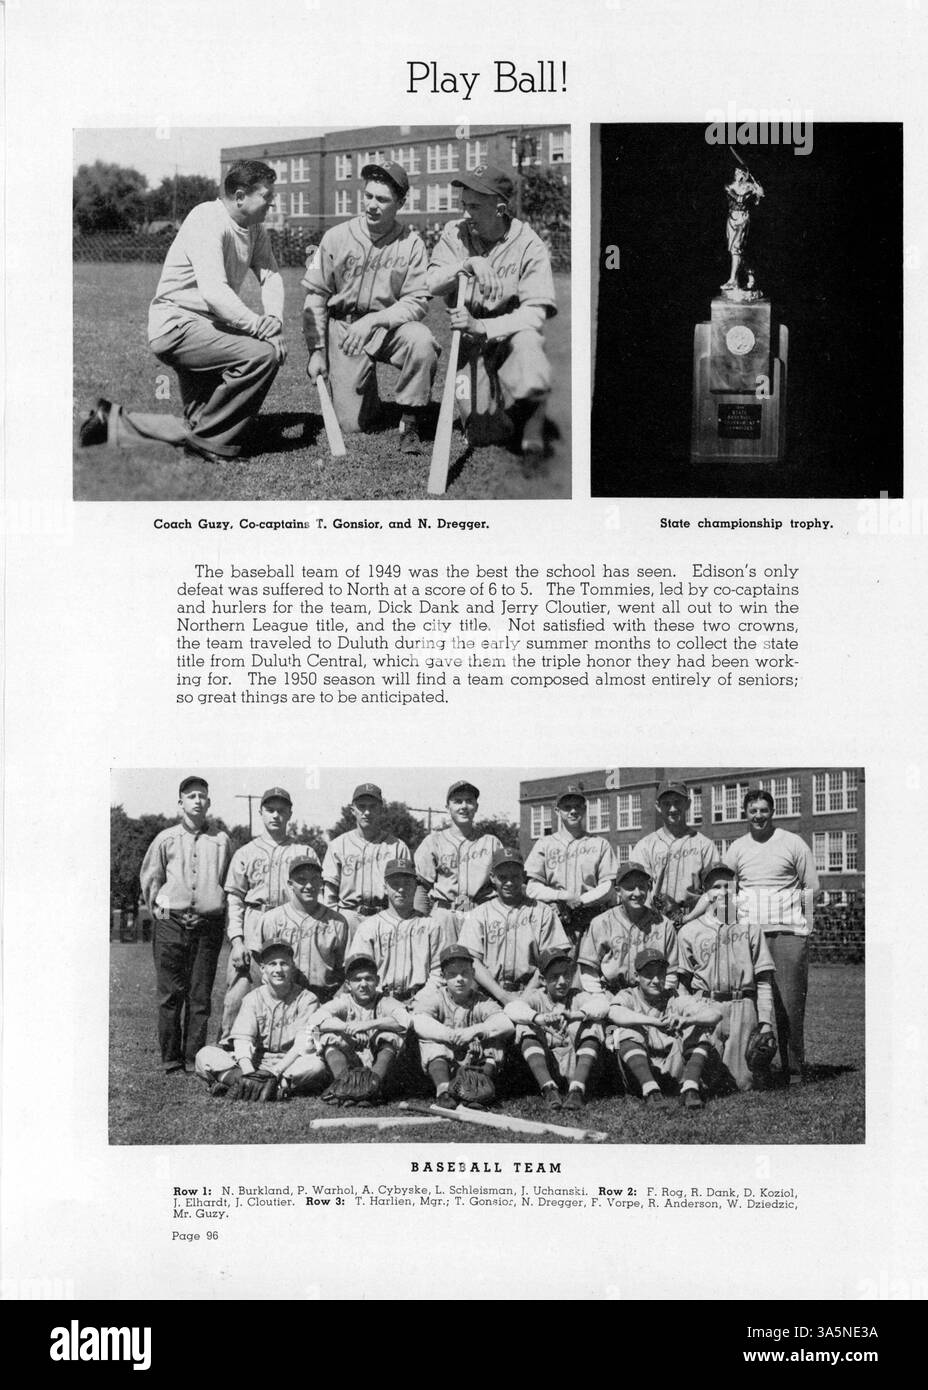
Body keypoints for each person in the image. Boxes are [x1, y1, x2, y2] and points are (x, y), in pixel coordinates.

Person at [78, 161, 286, 463]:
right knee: (262, 355)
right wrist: (260, 328)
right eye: (267, 195)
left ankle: (109, 422)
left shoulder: (254, 228)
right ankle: (212, 444)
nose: (272, 201)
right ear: (240, 196)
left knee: (199, 423)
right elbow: (214, 294)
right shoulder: (206, 219)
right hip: (176, 326)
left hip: (206, 328)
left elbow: (271, 275)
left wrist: (276, 320)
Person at [302, 161, 437, 453]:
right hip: (345, 328)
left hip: (388, 329)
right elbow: (315, 296)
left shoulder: (412, 243)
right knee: (353, 424)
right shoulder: (335, 237)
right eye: (369, 196)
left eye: (383, 199)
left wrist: (375, 320)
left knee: (422, 340)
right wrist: (316, 352)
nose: (372, 205)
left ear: (400, 202)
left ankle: (410, 421)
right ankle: (365, 393)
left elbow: (417, 301)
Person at [427, 164, 557, 459]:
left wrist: (484, 327)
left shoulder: (528, 244)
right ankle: (500, 406)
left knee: (529, 342)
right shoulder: (455, 234)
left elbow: (537, 313)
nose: (465, 213)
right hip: (470, 345)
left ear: (499, 209)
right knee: (483, 435)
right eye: (463, 205)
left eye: (474, 206)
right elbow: (430, 283)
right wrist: (467, 264)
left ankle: (534, 415)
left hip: (509, 337)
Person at [723, 790, 819, 1081]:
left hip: (788, 933)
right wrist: (727, 929)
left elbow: (811, 887)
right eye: (753, 810)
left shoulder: (793, 843)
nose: (758, 816)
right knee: (751, 1002)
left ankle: (793, 1070)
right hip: (750, 936)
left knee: (790, 1004)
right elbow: (725, 892)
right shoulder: (737, 848)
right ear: (745, 813)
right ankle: (757, 1069)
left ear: (772, 811)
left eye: (764, 810)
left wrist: (806, 926)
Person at [139, 776, 231, 1075]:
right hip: (171, 923)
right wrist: (164, 920)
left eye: (202, 795)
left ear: (208, 802)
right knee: (170, 993)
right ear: (180, 802)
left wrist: (213, 909)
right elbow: (152, 882)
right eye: (190, 795)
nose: (197, 800)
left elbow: (227, 882)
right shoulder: (166, 838)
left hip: (208, 924)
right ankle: (171, 1058)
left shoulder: (221, 840)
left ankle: (193, 1058)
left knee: (200, 994)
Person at [219, 787, 320, 1040]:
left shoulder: (305, 852)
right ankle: (230, 1044)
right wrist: (237, 940)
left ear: (290, 814)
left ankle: (285, 1047)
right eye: (270, 810)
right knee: (240, 989)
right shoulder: (245, 852)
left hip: (292, 923)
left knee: (292, 989)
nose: (276, 815)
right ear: (261, 812)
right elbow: (235, 900)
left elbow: (317, 894)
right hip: (255, 921)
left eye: (281, 811)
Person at [676, 863, 776, 1093]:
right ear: (706, 893)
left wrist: (765, 1023)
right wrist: (689, 1014)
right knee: (703, 1079)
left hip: (742, 1007)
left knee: (742, 1084)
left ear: (736, 890)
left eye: (728, 886)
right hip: (705, 1006)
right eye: (715, 887)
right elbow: (681, 985)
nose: (723, 892)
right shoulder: (690, 931)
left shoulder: (751, 927)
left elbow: (763, 981)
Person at [194, 940, 326, 1100]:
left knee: (315, 1066)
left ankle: (252, 1085)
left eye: (284, 964)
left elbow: (301, 1046)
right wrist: (249, 1073)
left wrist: (274, 1072)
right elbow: (243, 1041)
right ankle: (250, 1083)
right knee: (205, 1054)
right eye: (272, 964)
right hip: (256, 1062)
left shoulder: (308, 999)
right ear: (263, 969)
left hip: (289, 1063)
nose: (278, 969)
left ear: (292, 967)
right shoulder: (252, 998)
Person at [607, 948, 723, 1110]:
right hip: (639, 1075)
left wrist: (687, 1020)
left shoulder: (674, 997)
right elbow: (614, 1013)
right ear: (636, 976)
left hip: (674, 1071)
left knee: (697, 1026)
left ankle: (690, 1088)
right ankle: (651, 1091)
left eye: (660, 974)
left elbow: (715, 1014)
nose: (655, 980)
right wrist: (654, 1022)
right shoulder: (627, 995)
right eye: (648, 974)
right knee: (620, 1031)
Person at [458, 848, 570, 1005]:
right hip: (488, 995)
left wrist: (526, 997)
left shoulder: (542, 912)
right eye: (502, 877)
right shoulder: (478, 914)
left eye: (515, 876)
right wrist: (502, 996)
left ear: (524, 876)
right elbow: (472, 960)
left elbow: (551, 961)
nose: (509, 882)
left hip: (535, 994)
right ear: (492, 878)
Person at [505, 946, 609, 1111]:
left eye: (566, 975)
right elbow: (511, 1008)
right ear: (542, 979)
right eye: (554, 976)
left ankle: (577, 1090)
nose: (562, 981)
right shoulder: (537, 998)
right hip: (548, 1066)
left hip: (576, 1064)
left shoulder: (577, 996)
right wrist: (538, 1018)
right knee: (524, 1026)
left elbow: (602, 1005)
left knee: (592, 1023)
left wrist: (576, 1015)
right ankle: (548, 1089)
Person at [412, 944, 514, 1109]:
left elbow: (506, 1023)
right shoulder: (436, 998)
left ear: (473, 974)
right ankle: (443, 1092)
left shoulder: (482, 1001)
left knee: (494, 1040)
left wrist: (475, 1031)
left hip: (474, 1062)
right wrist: (452, 1035)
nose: (459, 979)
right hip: (448, 1063)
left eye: (465, 973)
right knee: (430, 1041)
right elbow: (419, 1021)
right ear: (444, 977)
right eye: (452, 974)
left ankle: (478, 1089)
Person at [313, 953, 412, 1106]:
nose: (363, 984)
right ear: (347, 984)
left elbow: (405, 1020)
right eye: (357, 979)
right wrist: (346, 1028)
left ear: (377, 981)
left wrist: (368, 1025)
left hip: (378, 1066)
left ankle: (373, 1087)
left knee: (390, 1034)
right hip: (350, 1062)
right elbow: (315, 1020)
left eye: (368, 978)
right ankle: (343, 1084)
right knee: (328, 1035)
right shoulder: (343, 1001)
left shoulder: (384, 1001)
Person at [347, 859, 451, 1005]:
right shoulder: (368, 927)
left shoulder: (431, 926)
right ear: (385, 887)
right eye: (395, 884)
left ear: (415, 886)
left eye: (407, 884)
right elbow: (359, 973)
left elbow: (438, 972)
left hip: (423, 1001)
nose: (401, 889)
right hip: (379, 1001)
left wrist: (421, 1000)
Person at [524, 785, 616, 944]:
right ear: (557, 811)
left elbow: (608, 886)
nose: (573, 811)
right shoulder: (544, 844)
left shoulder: (600, 844)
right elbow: (532, 888)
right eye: (567, 807)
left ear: (585, 809)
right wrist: (563, 896)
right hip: (555, 919)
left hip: (591, 918)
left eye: (577, 806)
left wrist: (581, 900)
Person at [413, 779, 503, 936]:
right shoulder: (433, 842)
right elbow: (421, 887)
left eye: (469, 801)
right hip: (444, 915)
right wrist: (420, 922)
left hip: (482, 914)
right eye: (457, 801)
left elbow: (503, 885)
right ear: (448, 807)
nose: (463, 807)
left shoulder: (491, 843)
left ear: (476, 807)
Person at [321, 782, 413, 936]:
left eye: (373, 806)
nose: (367, 812)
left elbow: (409, 890)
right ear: (353, 810)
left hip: (386, 917)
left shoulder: (397, 846)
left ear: (381, 809)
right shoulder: (338, 845)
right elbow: (329, 892)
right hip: (348, 916)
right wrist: (332, 923)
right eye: (361, 806)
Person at [255, 857, 350, 1003]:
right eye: (301, 879)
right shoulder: (271, 919)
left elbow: (343, 968)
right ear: (290, 884)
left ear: (321, 883)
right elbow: (258, 963)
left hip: (324, 997)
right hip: (282, 997)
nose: (309, 885)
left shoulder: (337, 922)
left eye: (314, 879)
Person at [578, 862, 680, 996]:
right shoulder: (601, 923)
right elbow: (589, 971)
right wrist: (600, 997)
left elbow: (671, 972)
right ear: (618, 890)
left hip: (653, 996)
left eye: (642, 887)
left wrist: (660, 998)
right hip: (612, 994)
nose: (637, 893)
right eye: (630, 888)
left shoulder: (663, 924)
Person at [631, 780, 720, 924]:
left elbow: (721, 890)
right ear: (658, 807)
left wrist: (724, 925)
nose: (672, 808)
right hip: (655, 921)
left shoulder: (704, 845)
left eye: (678, 802)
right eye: (666, 803)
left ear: (688, 804)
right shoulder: (645, 846)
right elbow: (636, 890)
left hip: (694, 919)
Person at [721, 163, 764, 293]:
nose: (739, 175)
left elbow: (757, 201)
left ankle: (733, 280)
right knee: (737, 251)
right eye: (737, 172)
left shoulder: (750, 186)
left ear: (746, 175)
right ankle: (751, 275)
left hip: (743, 218)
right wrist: (753, 191)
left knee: (736, 249)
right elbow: (739, 198)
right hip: (731, 219)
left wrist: (759, 191)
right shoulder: (729, 186)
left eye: (741, 173)